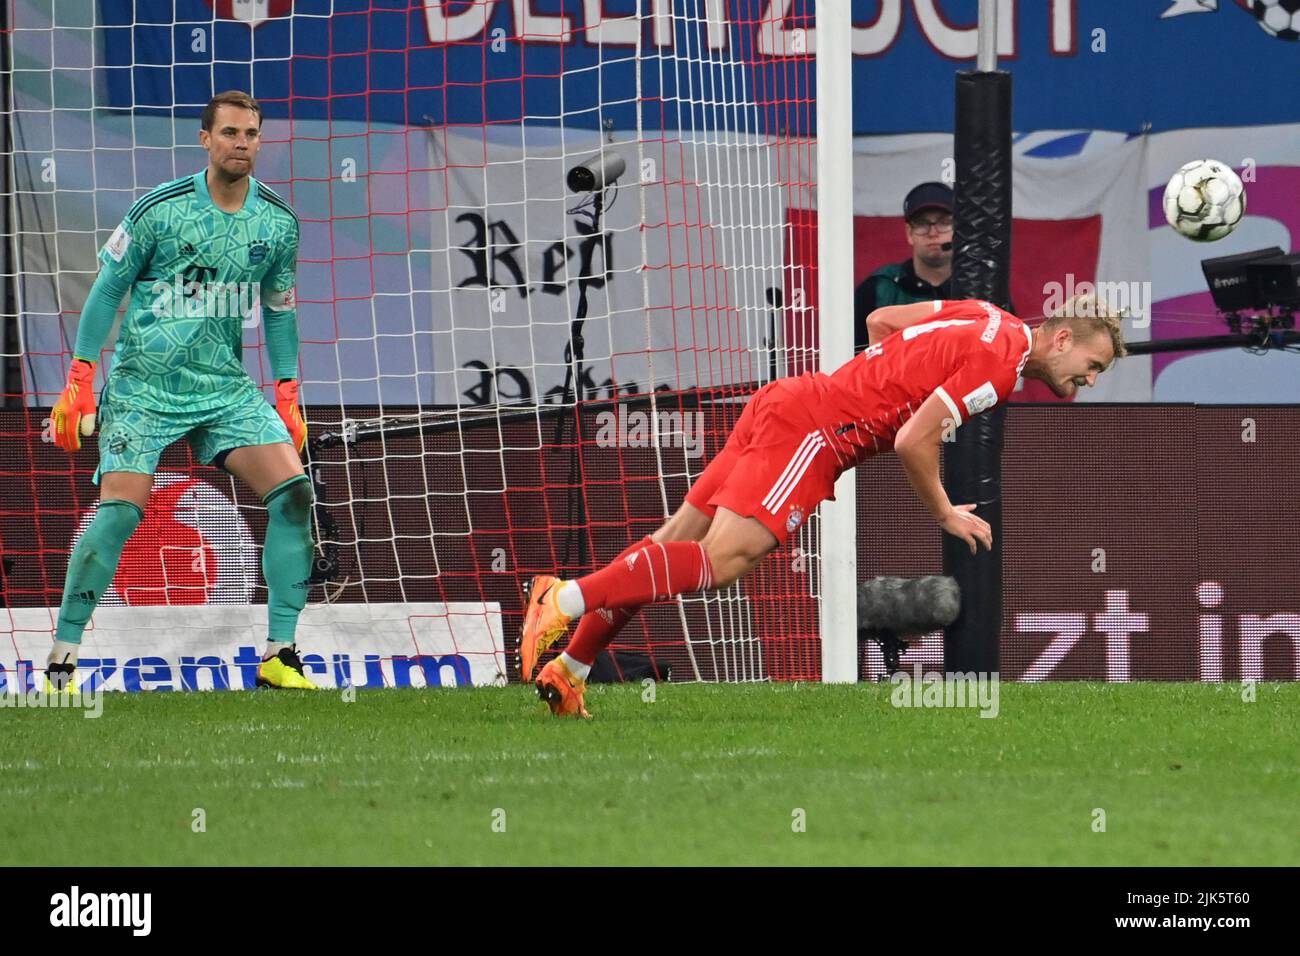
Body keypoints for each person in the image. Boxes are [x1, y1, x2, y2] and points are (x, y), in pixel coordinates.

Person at [520, 294, 1125, 717]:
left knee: (672, 540)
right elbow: (916, 438)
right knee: (724, 562)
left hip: (792, 398)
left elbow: (884, 321)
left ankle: (569, 671)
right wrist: (943, 511)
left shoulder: (987, 316)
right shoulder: (1002, 367)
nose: (1092, 379)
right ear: (1064, 338)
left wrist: (879, 383)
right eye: (1093, 365)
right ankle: (563, 598)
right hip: (815, 432)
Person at [46, 90, 317, 691]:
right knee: (120, 511)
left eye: (250, 134)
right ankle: (63, 658)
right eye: (229, 133)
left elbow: (279, 311)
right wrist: (81, 378)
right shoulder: (158, 210)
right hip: (143, 387)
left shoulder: (277, 224)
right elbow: (105, 291)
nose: (241, 143)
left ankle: (280, 654)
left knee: (295, 494)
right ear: (206, 140)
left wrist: (287, 391)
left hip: (223, 389)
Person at [853, 182, 954, 353]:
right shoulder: (878, 288)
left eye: (944, 222)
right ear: (909, 233)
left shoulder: (980, 286)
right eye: (922, 223)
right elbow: (852, 363)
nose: (933, 232)